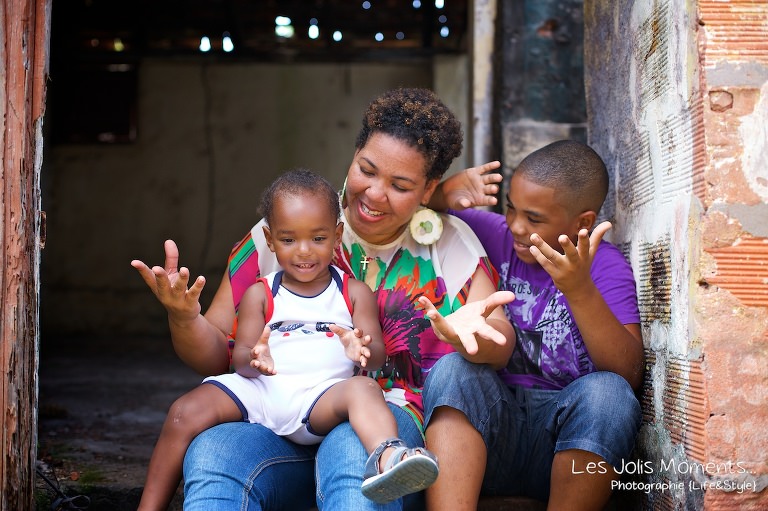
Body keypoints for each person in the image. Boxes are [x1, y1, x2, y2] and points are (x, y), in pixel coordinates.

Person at [131, 87, 516, 511]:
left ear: (429, 189)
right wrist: (184, 318)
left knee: (352, 454)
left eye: (400, 185)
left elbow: (498, 340)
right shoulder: (281, 233)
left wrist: (475, 335)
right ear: (352, 156)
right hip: (274, 417)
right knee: (214, 454)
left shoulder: (450, 244)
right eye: (366, 170)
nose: (374, 193)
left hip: (383, 421)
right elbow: (217, 357)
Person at [137, 169, 441, 511]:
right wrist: (255, 358)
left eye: (318, 238)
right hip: (263, 393)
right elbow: (239, 362)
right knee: (183, 412)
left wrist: (362, 351)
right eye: (288, 239)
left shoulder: (354, 293)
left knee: (365, 391)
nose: (304, 252)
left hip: (321, 398)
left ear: (337, 235)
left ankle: (388, 456)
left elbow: (378, 358)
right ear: (269, 240)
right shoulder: (260, 294)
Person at [424, 139, 645, 510]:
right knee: (453, 370)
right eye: (511, 208)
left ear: (583, 223)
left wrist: (579, 290)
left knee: (608, 394)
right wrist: (446, 191)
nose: (516, 226)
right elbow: (410, 209)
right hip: (494, 430)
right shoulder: (499, 236)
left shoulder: (606, 267)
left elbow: (628, 373)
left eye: (534, 218)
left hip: (565, 442)